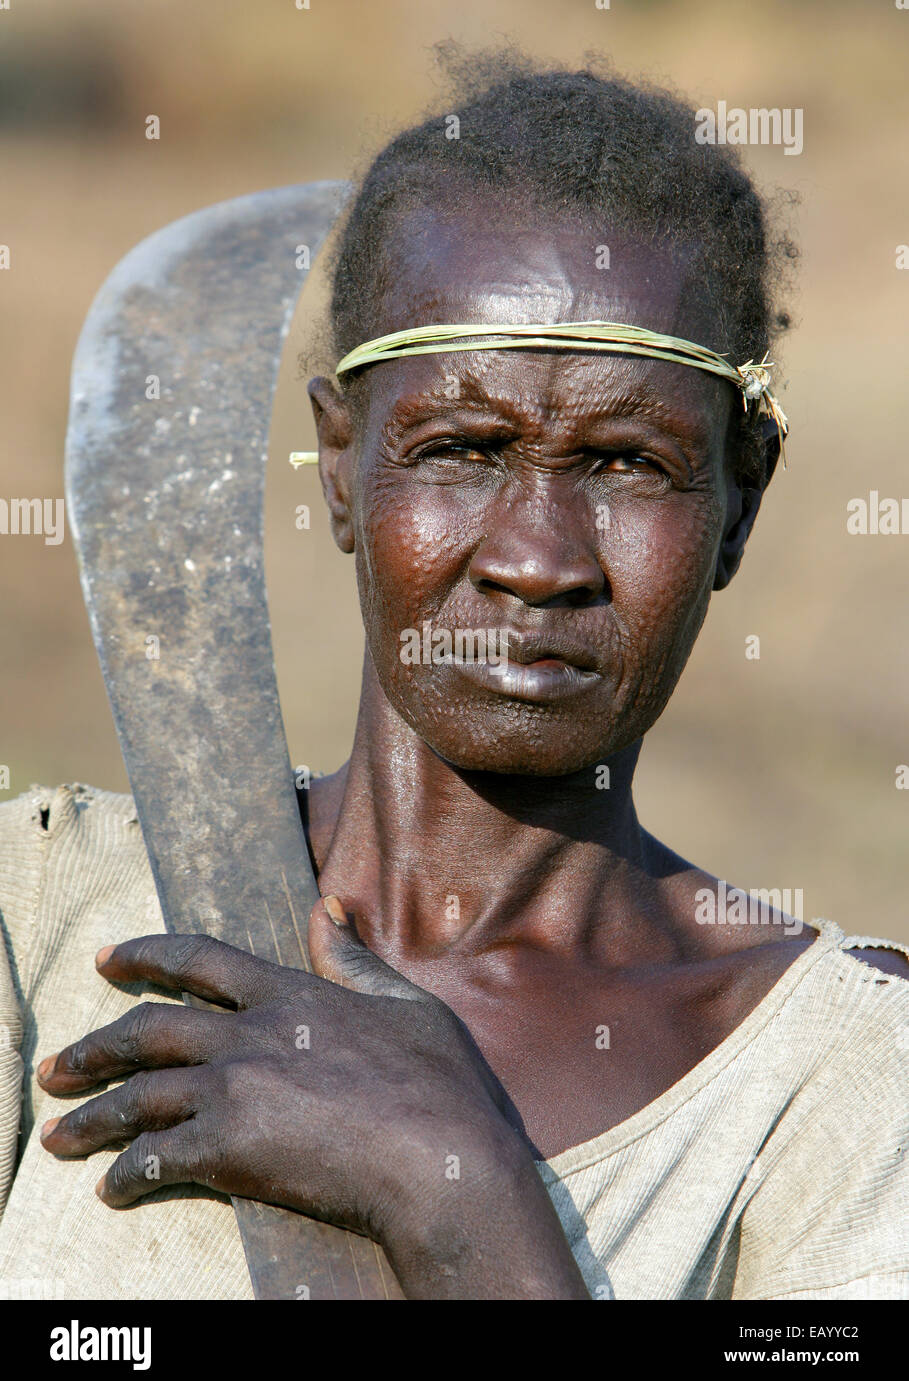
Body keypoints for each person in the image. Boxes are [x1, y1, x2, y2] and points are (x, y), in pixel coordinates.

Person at [0, 54, 906, 1302]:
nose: (538, 560)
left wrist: (454, 1188)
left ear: (741, 500)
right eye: (461, 449)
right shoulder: (41, 918)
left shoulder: (842, 1087)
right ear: (337, 463)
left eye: (628, 464)